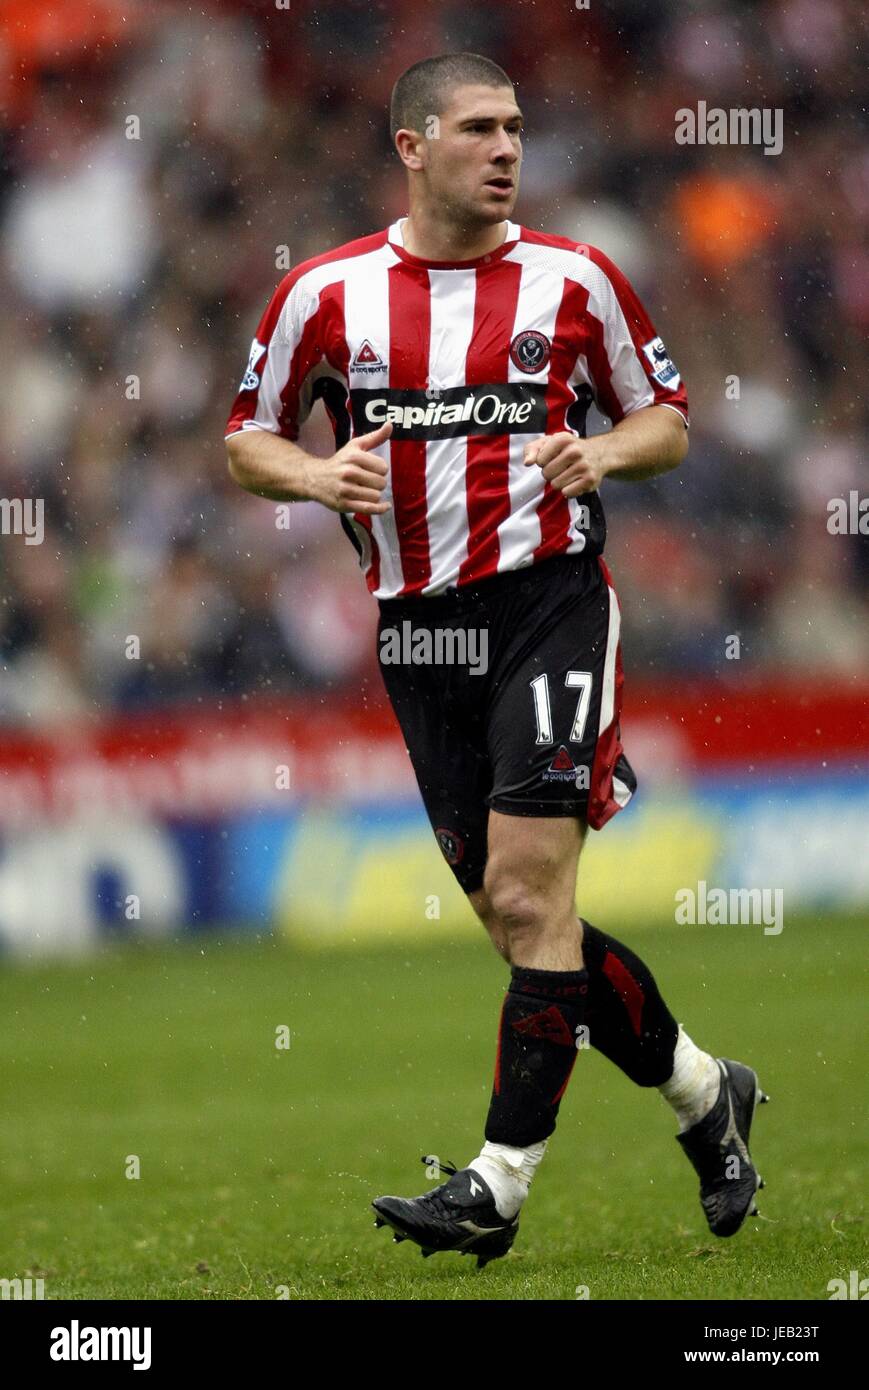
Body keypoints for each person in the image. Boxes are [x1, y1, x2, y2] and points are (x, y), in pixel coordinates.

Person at [224, 52, 767, 1268]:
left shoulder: (575, 280)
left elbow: (665, 418)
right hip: (417, 630)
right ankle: (702, 1093)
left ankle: (494, 1187)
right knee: (527, 929)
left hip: (548, 602)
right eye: (477, 128)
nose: (506, 147)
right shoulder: (324, 293)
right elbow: (246, 440)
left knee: (530, 896)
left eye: (515, 127)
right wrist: (316, 475)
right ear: (412, 146)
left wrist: (601, 458)